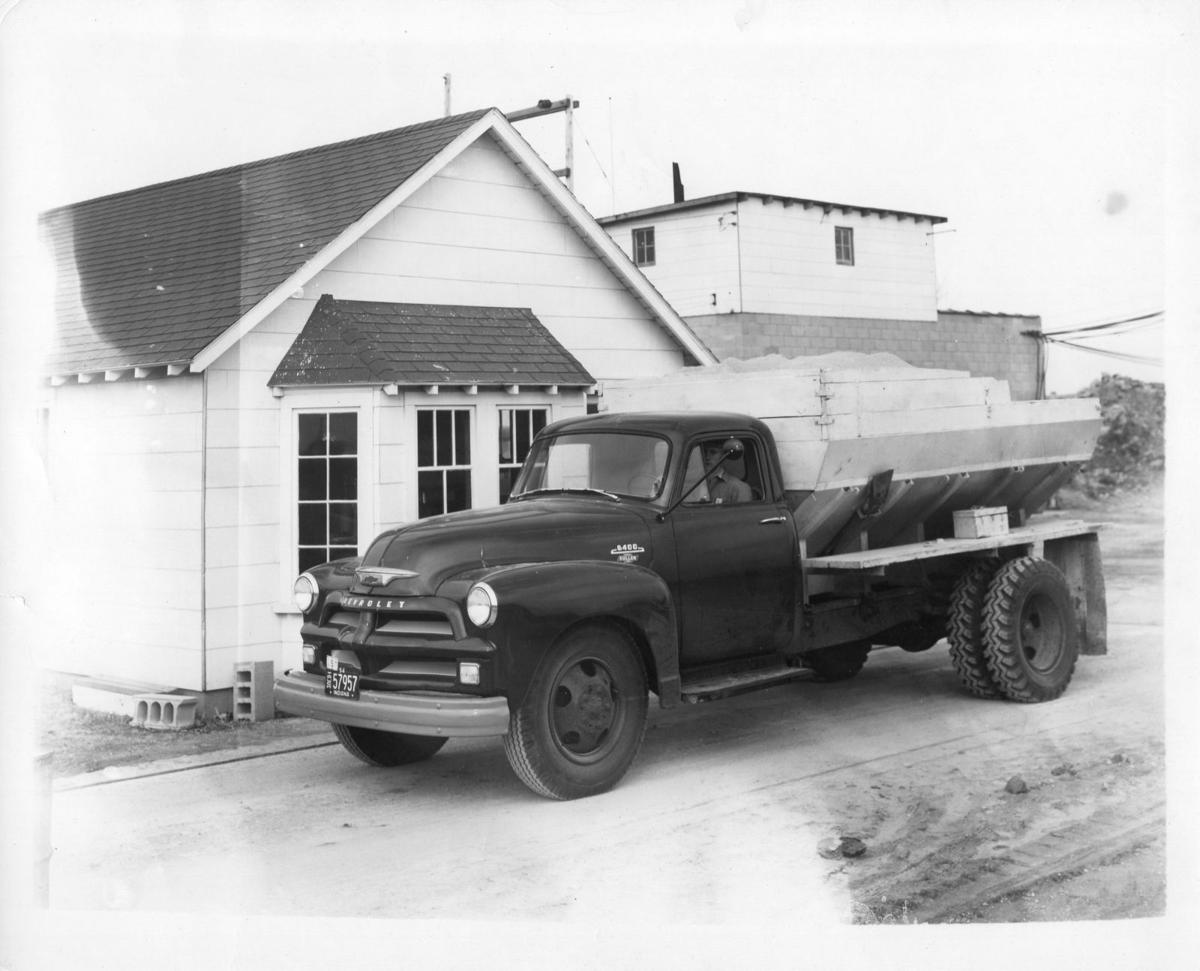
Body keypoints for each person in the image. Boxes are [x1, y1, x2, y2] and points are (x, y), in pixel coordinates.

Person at [702, 440, 752, 505]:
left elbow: (743, 514)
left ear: (723, 456)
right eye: (704, 451)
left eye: (713, 452)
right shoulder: (690, 483)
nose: (707, 457)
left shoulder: (738, 488)